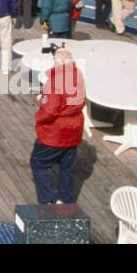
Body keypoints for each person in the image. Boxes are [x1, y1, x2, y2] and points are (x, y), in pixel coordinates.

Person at [29, 48, 85, 204]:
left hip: (55, 132)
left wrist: (39, 117)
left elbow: (50, 111)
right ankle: (65, 200)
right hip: (73, 129)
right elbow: (78, 100)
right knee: (67, 167)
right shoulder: (78, 75)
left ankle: (47, 200)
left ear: (58, 62)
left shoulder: (55, 83)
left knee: (38, 163)